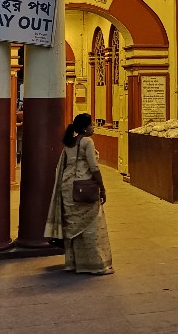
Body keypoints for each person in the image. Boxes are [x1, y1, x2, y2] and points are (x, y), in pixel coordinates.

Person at [44, 113, 113, 275]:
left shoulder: (69, 142)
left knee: (72, 226)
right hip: (84, 187)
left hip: (67, 186)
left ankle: (73, 264)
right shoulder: (87, 142)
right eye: (91, 125)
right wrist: (102, 188)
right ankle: (94, 265)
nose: (93, 127)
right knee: (91, 226)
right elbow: (94, 167)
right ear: (84, 128)